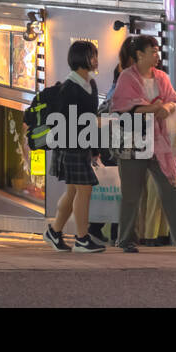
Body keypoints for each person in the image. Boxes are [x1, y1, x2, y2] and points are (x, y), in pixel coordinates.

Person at [109, 36, 176, 253]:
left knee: (170, 188)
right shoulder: (127, 77)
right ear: (139, 54)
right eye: (152, 51)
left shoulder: (161, 77)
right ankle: (126, 239)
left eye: (157, 50)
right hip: (132, 141)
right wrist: (154, 108)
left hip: (159, 143)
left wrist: (166, 107)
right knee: (132, 193)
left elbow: (175, 99)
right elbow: (123, 107)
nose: (156, 55)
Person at [44, 41, 105, 253]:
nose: (96, 60)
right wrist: (89, 123)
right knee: (84, 190)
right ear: (81, 59)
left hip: (83, 144)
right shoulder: (69, 87)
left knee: (73, 192)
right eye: (92, 56)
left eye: (96, 55)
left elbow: (91, 117)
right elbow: (65, 118)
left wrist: (94, 149)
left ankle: (54, 231)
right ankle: (81, 238)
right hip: (70, 145)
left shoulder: (91, 84)